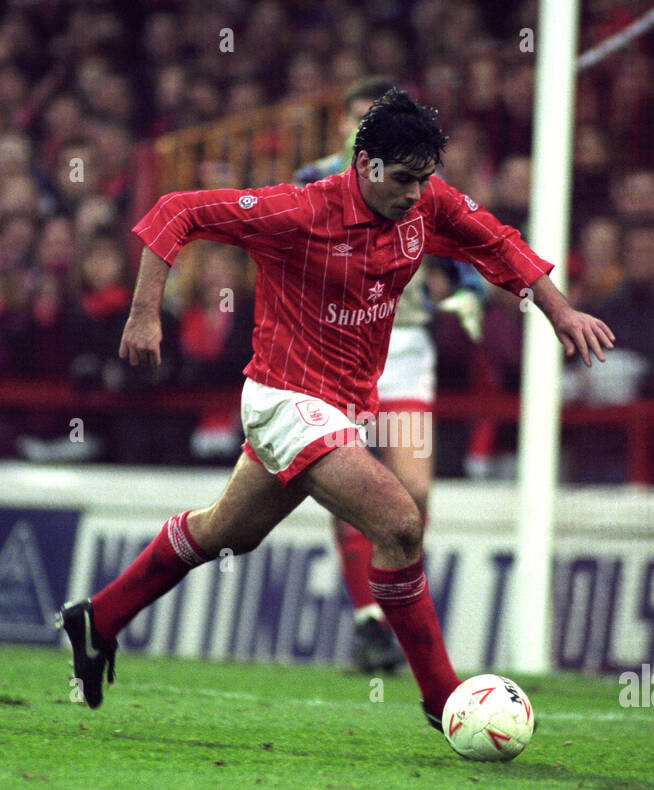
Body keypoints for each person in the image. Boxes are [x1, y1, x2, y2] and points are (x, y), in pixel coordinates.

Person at [56, 89, 614, 738]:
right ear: (366, 165)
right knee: (401, 522)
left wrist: (560, 309)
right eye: (403, 179)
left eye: (422, 180)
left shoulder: (424, 203)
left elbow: (498, 243)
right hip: (285, 400)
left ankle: (98, 618)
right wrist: (145, 311)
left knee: (225, 534)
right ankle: (443, 700)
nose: (415, 194)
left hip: (341, 407)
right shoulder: (300, 210)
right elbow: (174, 210)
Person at [295, 78, 488, 674]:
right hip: (339, 347)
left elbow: (467, 252)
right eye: (357, 119)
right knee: (349, 486)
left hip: (403, 349)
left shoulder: (416, 183)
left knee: (416, 491)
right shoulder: (312, 182)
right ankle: (371, 621)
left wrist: (461, 291)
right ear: (345, 129)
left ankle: (389, 605)